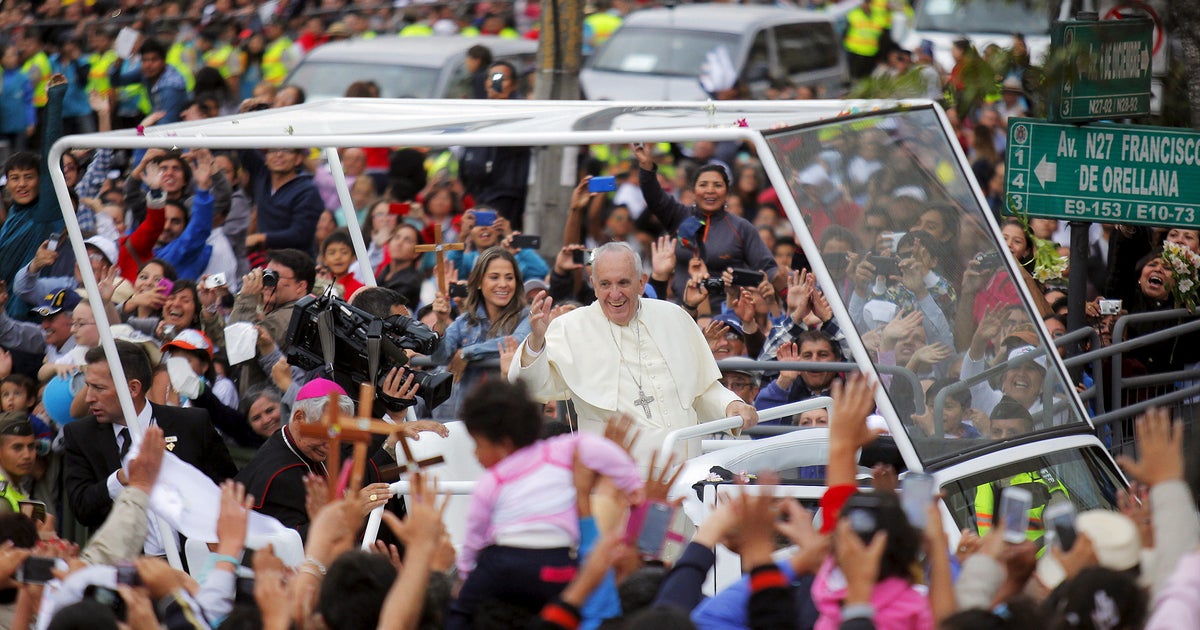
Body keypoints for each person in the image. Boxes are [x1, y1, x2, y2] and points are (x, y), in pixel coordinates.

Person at [509, 242, 758, 463]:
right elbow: (529, 386)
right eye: (605, 284)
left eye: (624, 283)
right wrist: (536, 342)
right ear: (593, 284)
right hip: (615, 482)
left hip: (684, 472)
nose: (614, 294)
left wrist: (731, 404)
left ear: (642, 282)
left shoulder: (674, 318)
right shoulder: (569, 328)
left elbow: (701, 390)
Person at [448, 379, 643, 629]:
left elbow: (475, 535)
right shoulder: (561, 448)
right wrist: (632, 483)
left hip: (505, 563)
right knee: (566, 612)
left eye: (477, 445)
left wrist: (465, 573)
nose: (475, 455)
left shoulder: (493, 480)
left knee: (460, 612)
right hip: (559, 566)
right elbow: (604, 451)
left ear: (504, 445)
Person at [62, 341, 237, 536]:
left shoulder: (191, 424)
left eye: (98, 388)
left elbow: (228, 490)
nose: (89, 398)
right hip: (127, 562)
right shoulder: (80, 435)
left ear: (133, 388)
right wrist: (121, 478)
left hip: (190, 559)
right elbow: (82, 509)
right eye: (88, 387)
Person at [235, 378, 441, 539]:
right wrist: (349, 512)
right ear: (299, 418)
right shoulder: (278, 476)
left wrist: (392, 444)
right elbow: (294, 544)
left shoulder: (313, 444)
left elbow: (356, 482)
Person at [632, 142, 779, 309]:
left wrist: (772, 285)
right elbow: (654, 198)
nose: (710, 190)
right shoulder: (679, 216)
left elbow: (769, 270)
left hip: (728, 316)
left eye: (717, 185)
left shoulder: (741, 227)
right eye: (703, 185)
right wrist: (646, 165)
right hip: (683, 311)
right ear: (693, 191)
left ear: (727, 193)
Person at [431, 247, 531, 419]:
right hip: (467, 416)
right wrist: (440, 322)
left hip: (509, 416)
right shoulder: (465, 321)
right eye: (494, 277)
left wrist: (466, 353)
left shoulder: (526, 315)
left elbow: (515, 341)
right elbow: (439, 357)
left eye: (509, 277)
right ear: (478, 282)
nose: (503, 284)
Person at [458, 61, 531, 230]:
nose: (495, 83)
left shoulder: (522, 109)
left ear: (514, 84)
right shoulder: (479, 110)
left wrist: (507, 102)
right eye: (491, 78)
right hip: (478, 191)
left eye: (501, 78)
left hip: (506, 193)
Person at [0, 412, 37, 511]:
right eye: (17, 448)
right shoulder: (2, 503)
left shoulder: (14, 485)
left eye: (31, 446)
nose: (27, 455)